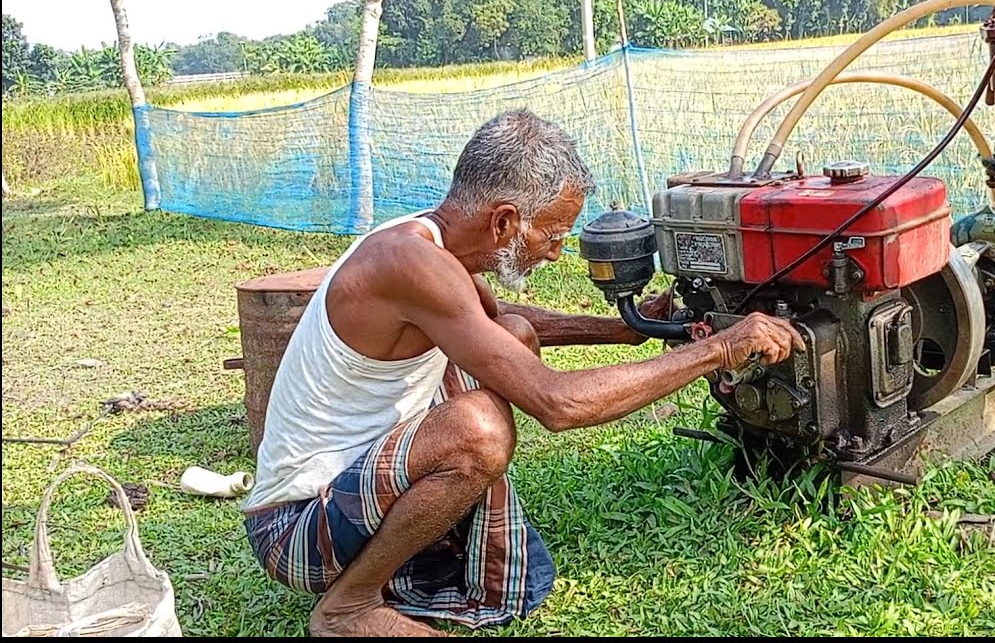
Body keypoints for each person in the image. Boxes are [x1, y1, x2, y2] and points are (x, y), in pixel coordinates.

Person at [239, 108, 803, 637]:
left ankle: (403, 564)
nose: (555, 253)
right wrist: (718, 350)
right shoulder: (408, 264)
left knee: (512, 335)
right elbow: (558, 403)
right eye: (553, 235)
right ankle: (349, 605)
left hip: (345, 496)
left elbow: (499, 320)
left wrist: (625, 328)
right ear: (505, 221)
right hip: (295, 528)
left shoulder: (429, 244)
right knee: (478, 429)